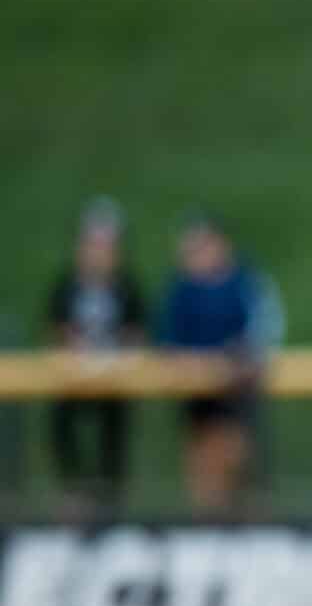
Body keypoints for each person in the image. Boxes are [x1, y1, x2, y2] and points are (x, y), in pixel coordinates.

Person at [158, 213, 283, 514]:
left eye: (203, 247)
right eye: (191, 250)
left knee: (238, 458)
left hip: (236, 388)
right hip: (198, 391)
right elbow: (166, 340)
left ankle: (245, 523)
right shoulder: (181, 290)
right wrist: (187, 363)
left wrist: (242, 357)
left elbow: (263, 330)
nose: (196, 256)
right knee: (204, 463)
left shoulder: (245, 283)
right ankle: (210, 525)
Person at [45, 198, 145, 513]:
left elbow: (138, 331)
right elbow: (55, 330)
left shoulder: (127, 288)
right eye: (93, 245)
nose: (98, 254)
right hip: (76, 375)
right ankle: (74, 492)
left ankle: (110, 495)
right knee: (63, 421)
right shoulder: (67, 287)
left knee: (113, 428)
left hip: (113, 376)